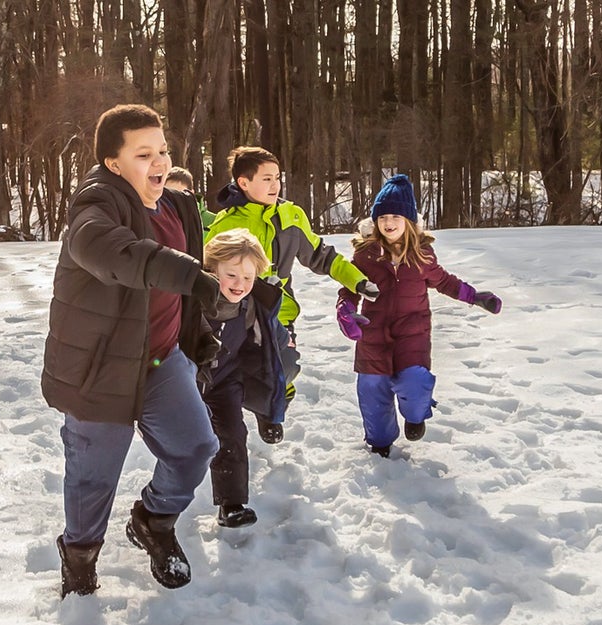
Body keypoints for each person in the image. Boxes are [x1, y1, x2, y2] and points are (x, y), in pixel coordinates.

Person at [42, 104, 221, 598]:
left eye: (162, 150)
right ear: (113, 163)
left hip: (163, 359)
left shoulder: (180, 207)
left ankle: (153, 520)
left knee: (195, 448)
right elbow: (109, 251)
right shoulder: (95, 206)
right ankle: (79, 557)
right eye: (143, 154)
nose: (159, 162)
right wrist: (192, 275)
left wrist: (202, 335)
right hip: (99, 369)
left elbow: (186, 294)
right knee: (92, 481)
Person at [206, 146, 378, 440]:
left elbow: (322, 256)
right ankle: (230, 418)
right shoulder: (227, 223)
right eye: (267, 179)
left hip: (278, 311)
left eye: (277, 178)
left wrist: (357, 281)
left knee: (282, 367)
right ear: (244, 183)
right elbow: (207, 267)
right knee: (238, 367)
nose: (275, 186)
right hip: (236, 312)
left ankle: (270, 412)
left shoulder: (292, 215)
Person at [336, 174, 502, 458]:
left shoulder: (422, 256)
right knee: (372, 388)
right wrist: (346, 309)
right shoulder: (366, 255)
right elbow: (351, 286)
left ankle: (415, 416)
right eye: (383, 216)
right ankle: (380, 442)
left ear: (409, 221)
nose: (389, 223)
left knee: (415, 380)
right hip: (373, 334)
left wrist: (475, 297)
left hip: (412, 335)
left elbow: (445, 282)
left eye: (396, 216)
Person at [200, 228, 288, 528]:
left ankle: (231, 504)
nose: (240, 285)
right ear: (212, 269)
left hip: (225, 379)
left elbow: (268, 334)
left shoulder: (250, 306)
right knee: (185, 443)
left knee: (233, 433)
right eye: (232, 275)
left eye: (248, 278)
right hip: (186, 382)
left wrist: (284, 340)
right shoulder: (193, 300)